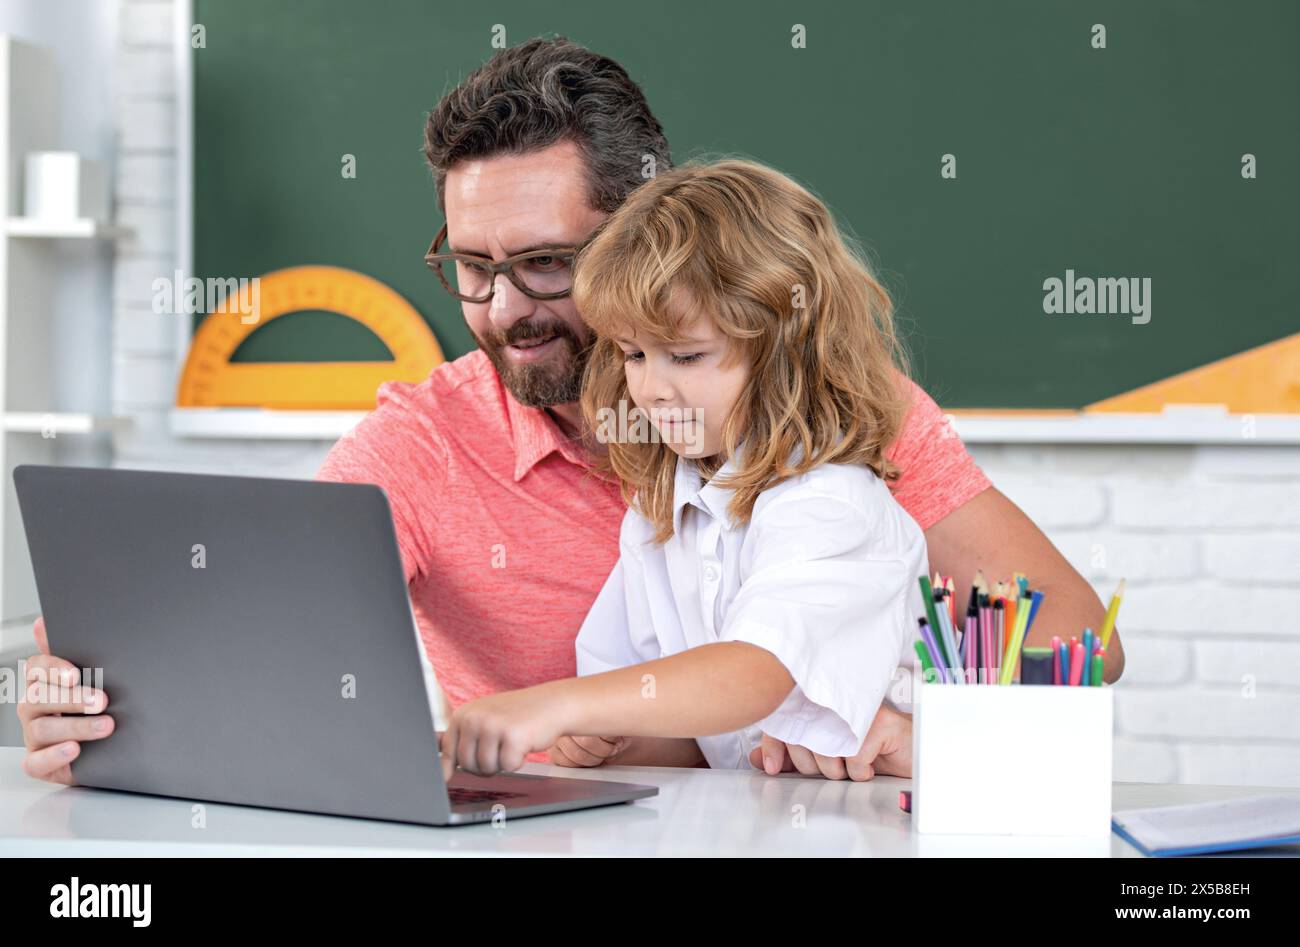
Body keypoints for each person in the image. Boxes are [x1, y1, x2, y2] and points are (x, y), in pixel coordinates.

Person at [19, 36, 1122, 787]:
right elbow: (252, 611)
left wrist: (904, 734)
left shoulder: (830, 416)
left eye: (548, 265)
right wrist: (94, 684)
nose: (502, 312)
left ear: (649, 236)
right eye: (470, 265)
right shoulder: (437, 439)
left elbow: (1076, 639)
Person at [438, 158, 926, 779]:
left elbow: (751, 674)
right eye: (634, 354)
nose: (651, 389)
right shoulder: (665, 510)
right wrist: (613, 739)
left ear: (787, 352)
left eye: (687, 356)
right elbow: (691, 724)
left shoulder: (829, 501)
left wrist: (551, 705)